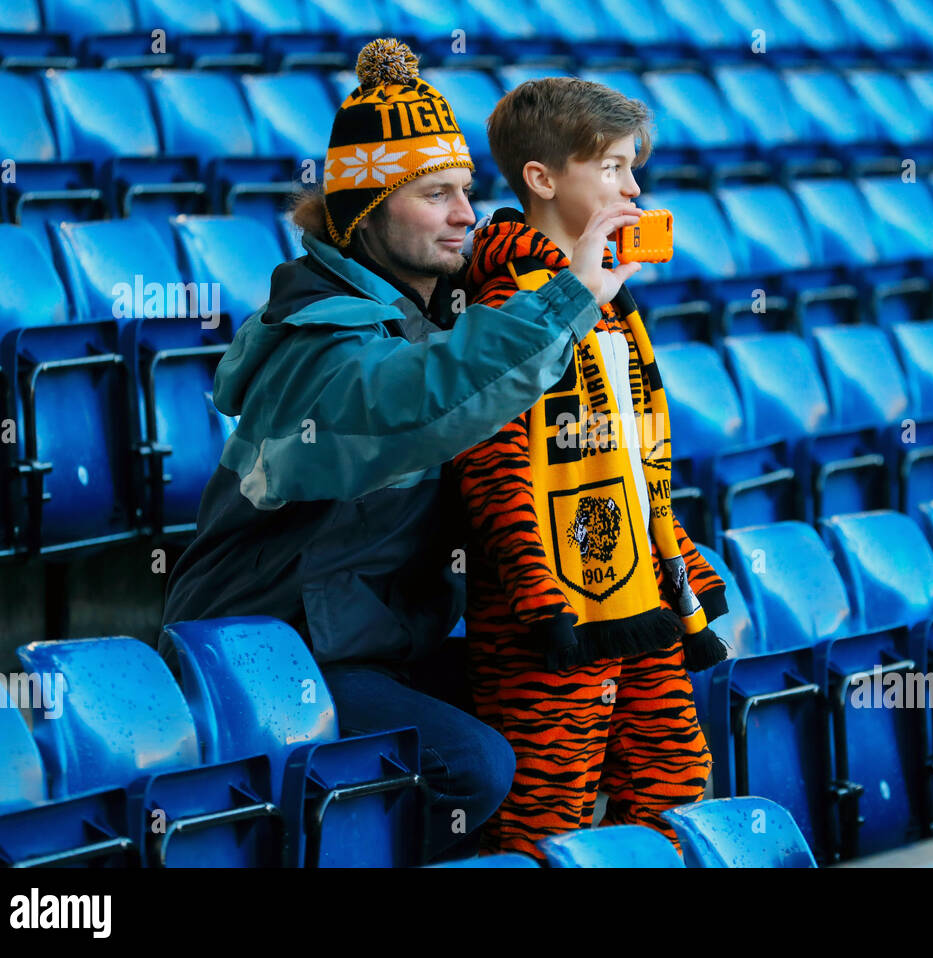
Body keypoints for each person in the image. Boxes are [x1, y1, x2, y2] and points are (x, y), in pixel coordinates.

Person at [159, 39, 643, 863]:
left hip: (384, 640)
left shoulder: (447, 307)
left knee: (606, 696)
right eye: (435, 196)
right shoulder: (310, 341)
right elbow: (413, 400)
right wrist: (566, 299)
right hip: (274, 643)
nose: (466, 214)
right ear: (363, 211)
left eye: (466, 191)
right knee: (470, 764)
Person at [451, 77, 729, 860]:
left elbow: (642, 462)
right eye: (611, 168)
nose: (632, 187)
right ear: (541, 179)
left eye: (631, 168)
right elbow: (493, 466)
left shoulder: (608, 300)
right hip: (551, 623)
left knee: (674, 789)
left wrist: (678, 558)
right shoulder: (503, 307)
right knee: (549, 817)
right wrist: (543, 600)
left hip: (642, 601)